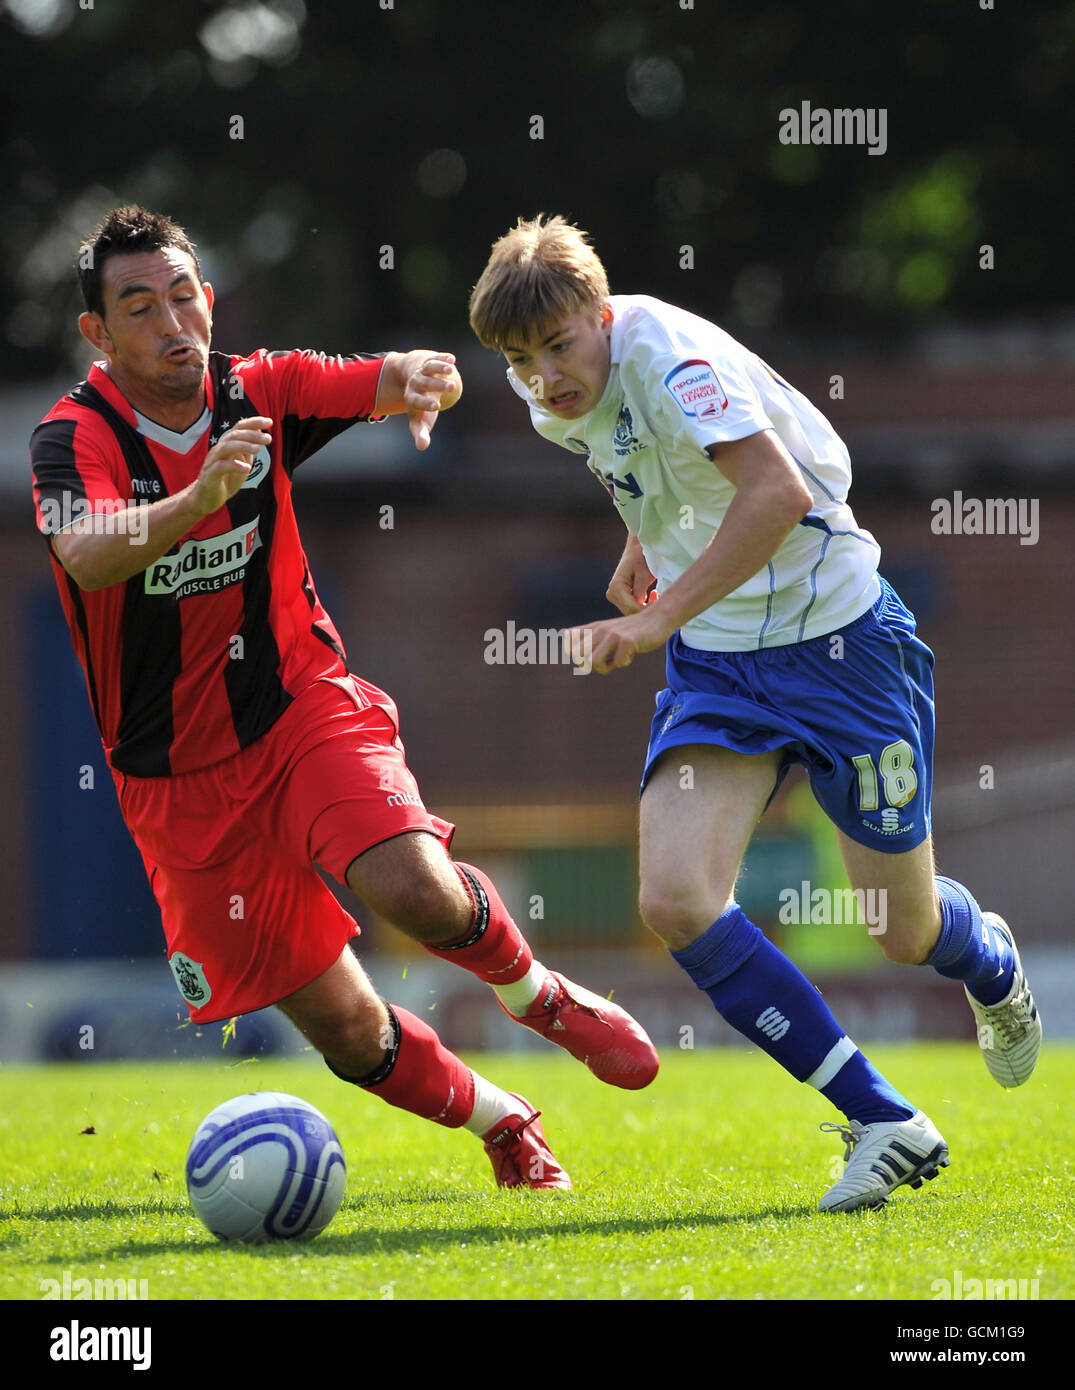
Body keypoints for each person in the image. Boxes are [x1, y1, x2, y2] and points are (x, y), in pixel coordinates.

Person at [30, 205, 659, 1194]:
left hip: (302, 708)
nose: (172, 321)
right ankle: (503, 1120)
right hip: (176, 783)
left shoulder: (260, 388)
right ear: (99, 336)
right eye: (139, 306)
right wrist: (196, 500)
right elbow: (86, 551)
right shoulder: (71, 439)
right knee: (349, 1030)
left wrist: (422, 378)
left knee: (411, 885)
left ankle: (539, 997)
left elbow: (386, 374)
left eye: (184, 293)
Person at [468, 214, 1042, 1212]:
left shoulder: (672, 360)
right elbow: (638, 459)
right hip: (721, 669)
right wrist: (646, 534)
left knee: (898, 933)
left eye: (559, 346)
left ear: (601, 317)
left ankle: (987, 959)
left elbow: (773, 491)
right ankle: (884, 1120)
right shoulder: (550, 400)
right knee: (676, 899)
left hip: (842, 645)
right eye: (520, 359)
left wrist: (654, 615)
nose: (545, 375)